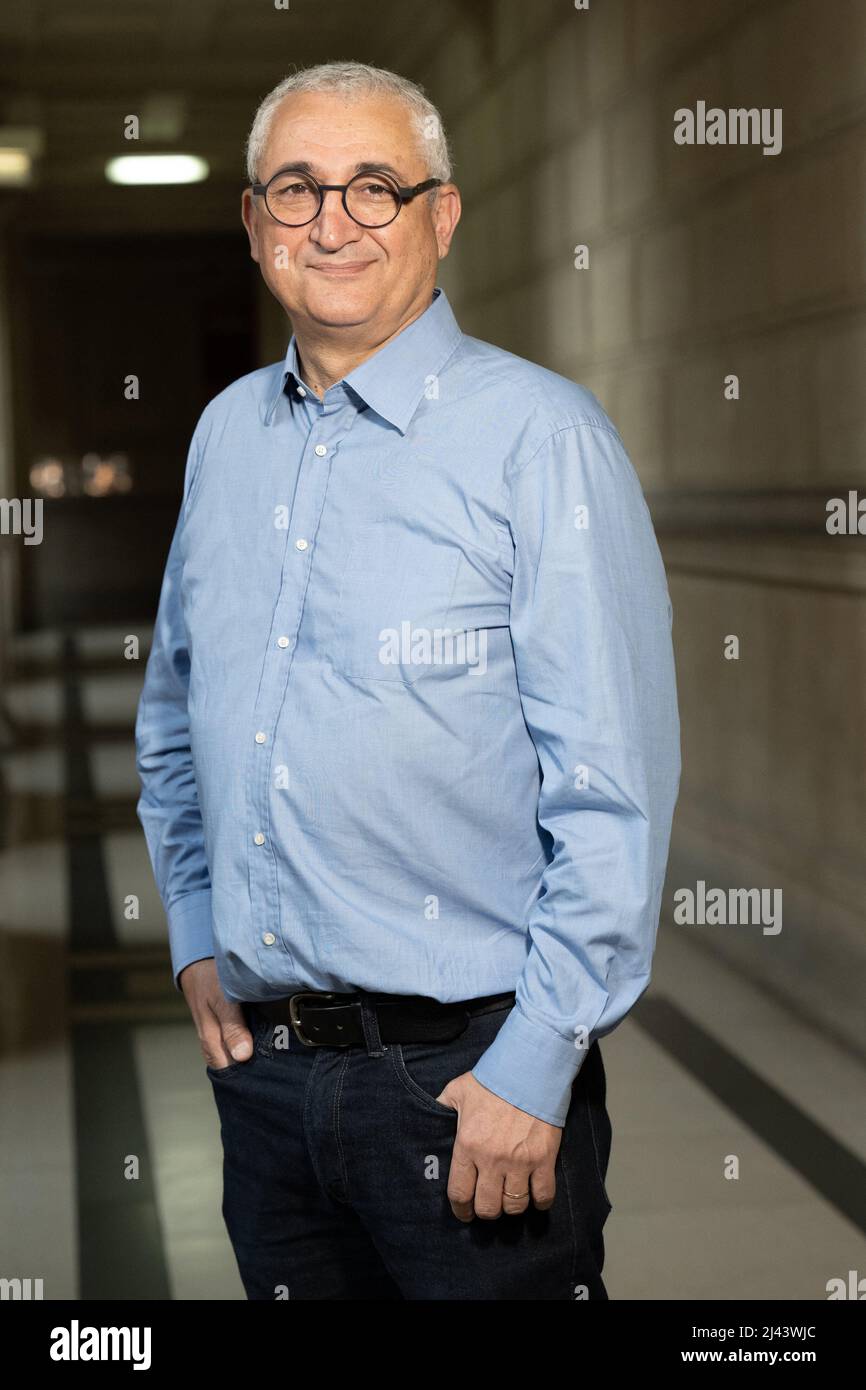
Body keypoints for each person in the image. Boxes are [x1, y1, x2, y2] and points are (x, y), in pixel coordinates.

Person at [135, 60, 681, 1301]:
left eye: (373, 187)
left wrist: (533, 1068)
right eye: (297, 189)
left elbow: (615, 793)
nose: (332, 223)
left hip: (468, 1083)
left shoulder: (541, 441)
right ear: (252, 220)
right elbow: (173, 723)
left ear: (440, 216)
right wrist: (195, 933)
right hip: (267, 1085)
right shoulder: (225, 436)